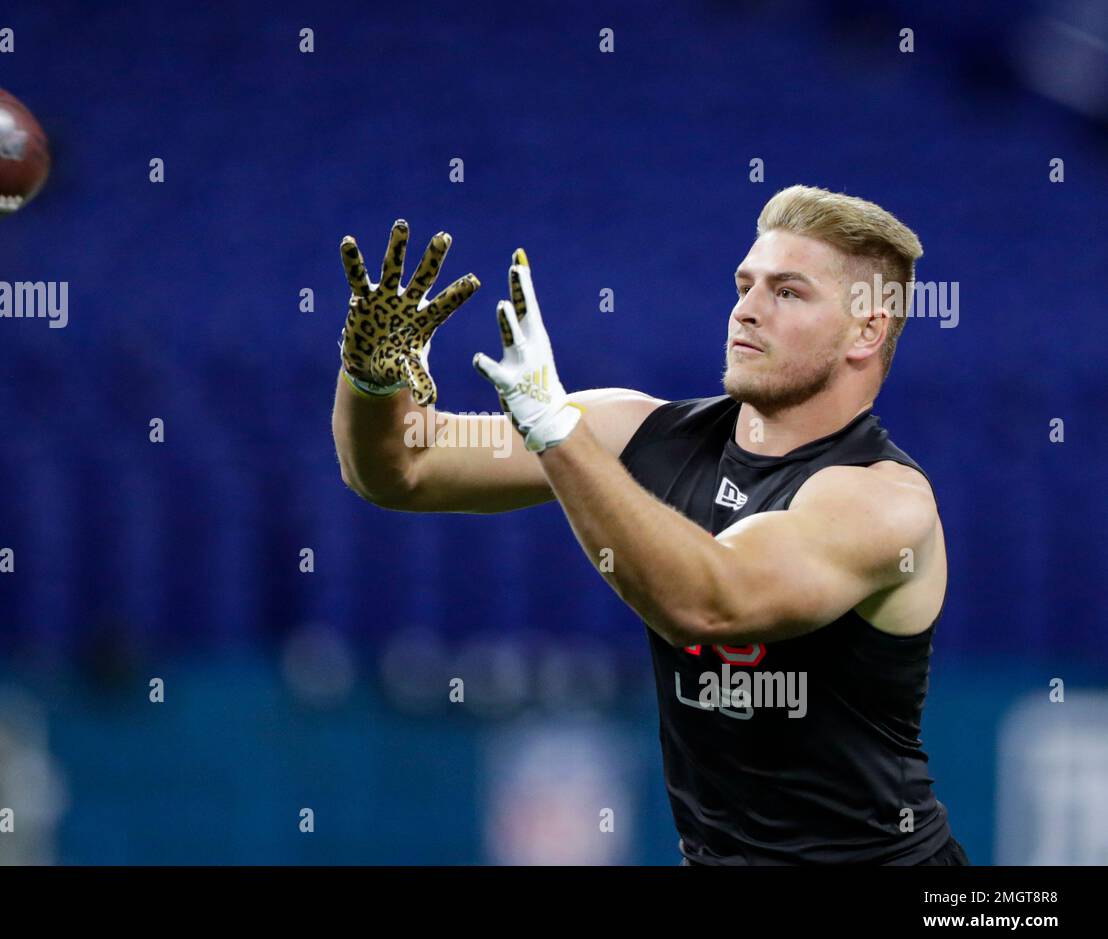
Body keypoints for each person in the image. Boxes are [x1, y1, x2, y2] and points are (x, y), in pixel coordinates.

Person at [331, 186, 967, 865]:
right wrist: (372, 378)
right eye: (744, 286)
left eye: (788, 293)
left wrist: (555, 431)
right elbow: (404, 466)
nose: (747, 310)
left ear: (867, 330)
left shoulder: (882, 500)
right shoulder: (642, 432)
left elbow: (712, 602)